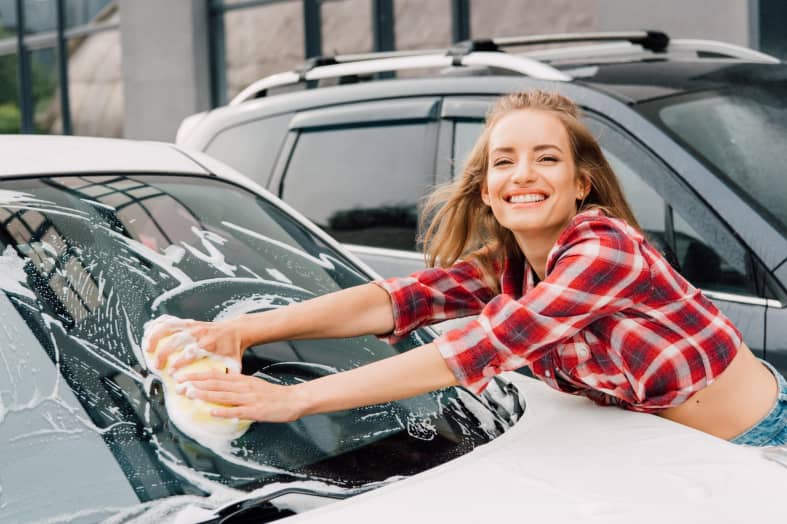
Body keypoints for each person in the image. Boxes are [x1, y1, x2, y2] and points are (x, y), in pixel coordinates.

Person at [144, 89, 785, 446]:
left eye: (547, 159)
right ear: (486, 190)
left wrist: (295, 400)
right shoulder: (504, 267)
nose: (523, 174)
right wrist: (244, 331)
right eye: (504, 161)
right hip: (676, 452)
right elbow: (393, 302)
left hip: (764, 444)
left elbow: (484, 347)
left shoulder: (603, 251)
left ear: (582, 184)